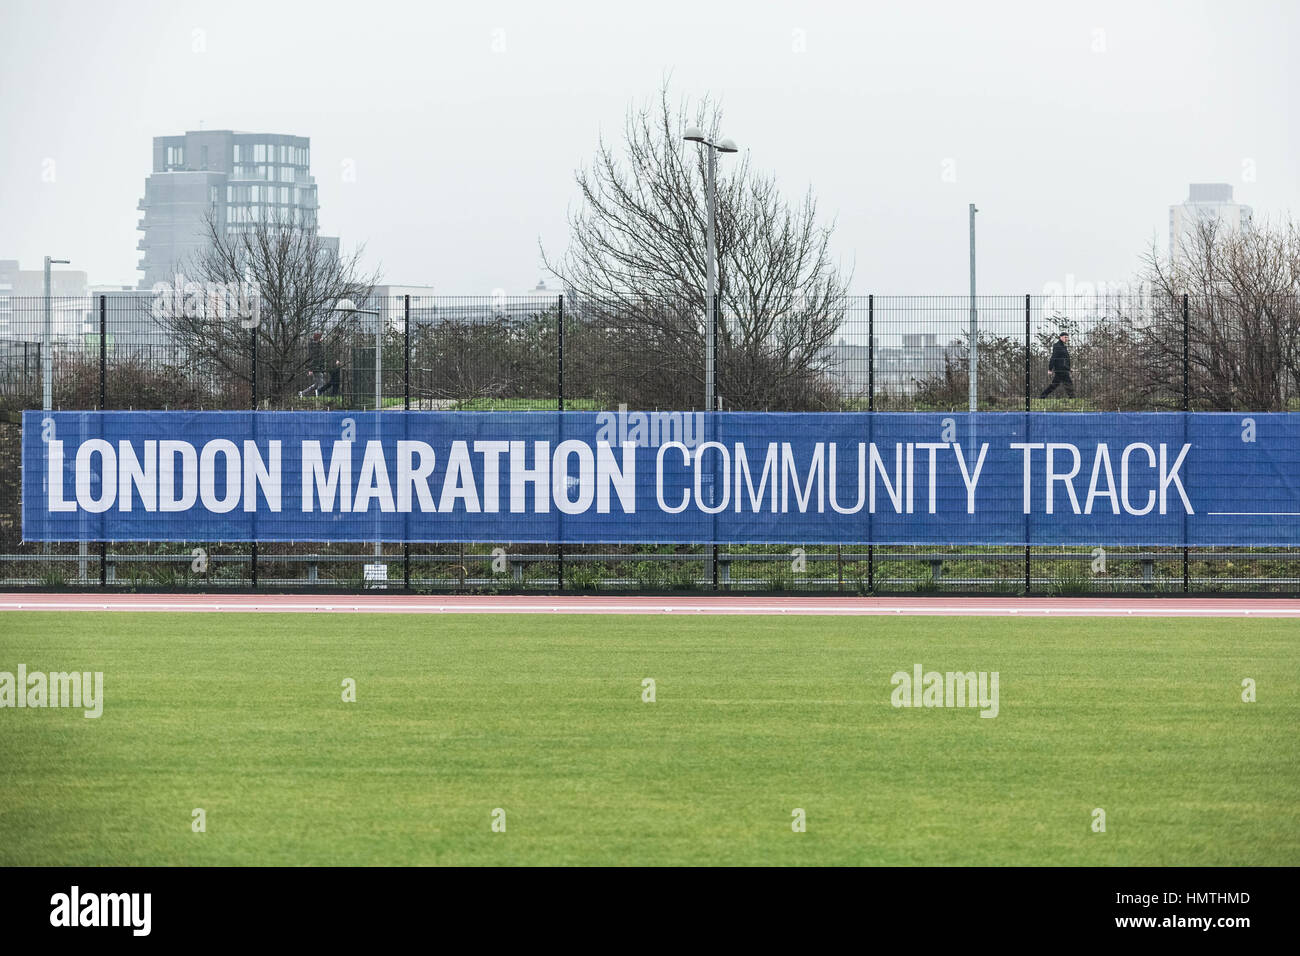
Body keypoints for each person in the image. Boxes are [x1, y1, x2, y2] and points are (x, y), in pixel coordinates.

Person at [1039, 332, 1075, 399]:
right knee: (1068, 383)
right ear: (1060, 337)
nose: (1066, 339)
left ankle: (1042, 396)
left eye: (1067, 337)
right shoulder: (1057, 346)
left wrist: (1069, 368)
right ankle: (1072, 398)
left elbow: (1064, 359)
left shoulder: (1064, 346)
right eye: (1065, 337)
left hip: (1064, 369)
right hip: (1060, 369)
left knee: (1054, 385)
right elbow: (1053, 357)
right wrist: (1050, 369)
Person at [300, 332, 327, 397]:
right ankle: (319, 395)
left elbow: (321, 357)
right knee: (321, 382)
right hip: (315, 367)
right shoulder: (312, 344)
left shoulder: (318, 345)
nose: (321, 339)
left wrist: (323, 368)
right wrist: (310, 369)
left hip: (318, 366)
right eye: (319, 337)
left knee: (316, 384)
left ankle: (302, 393)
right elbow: (314, 355)